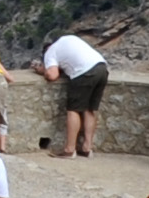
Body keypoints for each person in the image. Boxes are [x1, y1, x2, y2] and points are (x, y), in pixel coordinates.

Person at [41, 30, 110, 158]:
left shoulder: (50, 52)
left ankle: (69, 149)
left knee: (73, 110)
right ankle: (87, 148)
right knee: (90, 109)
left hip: (83, 73)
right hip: (101, 68)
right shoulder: (69, 38)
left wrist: (42, 70)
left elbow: (52, 75)